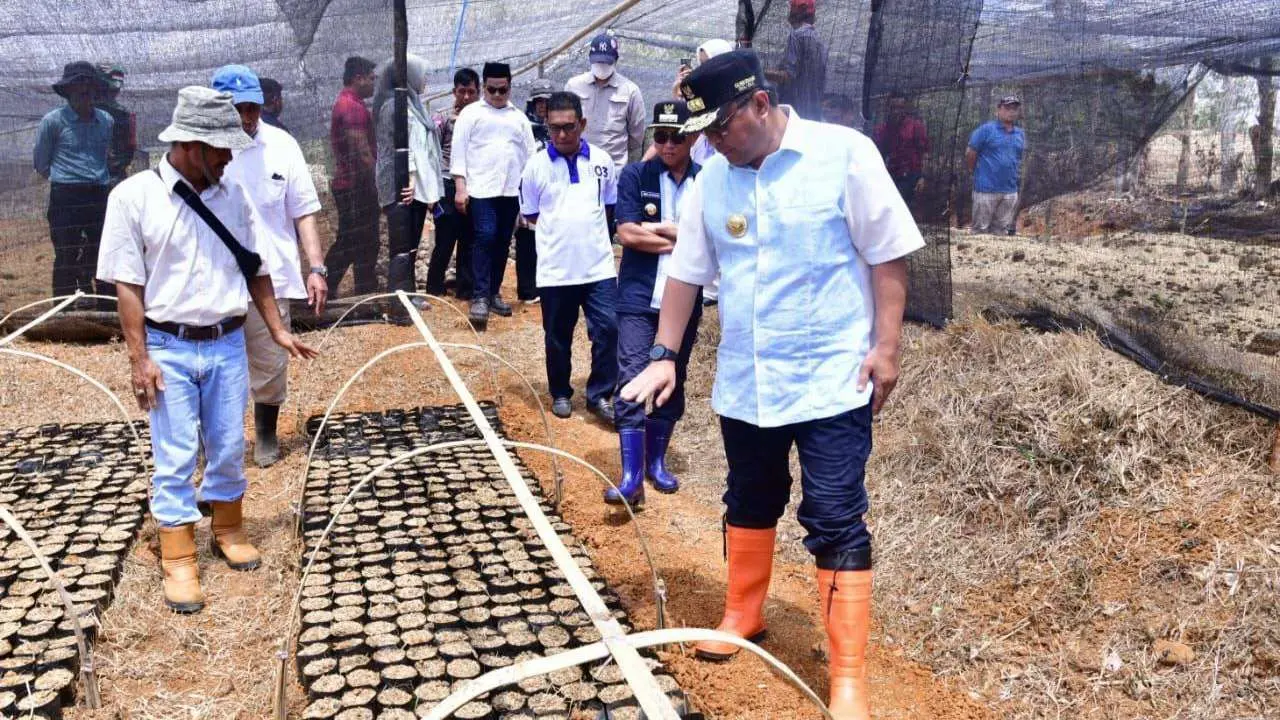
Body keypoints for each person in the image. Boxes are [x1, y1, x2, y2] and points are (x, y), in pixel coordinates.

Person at [623, 51, 924, 720]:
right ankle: (743, 612)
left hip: (831, 379)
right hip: (748, 381)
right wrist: (665, 352)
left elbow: (888, 253)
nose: (708, 143)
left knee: (835, 515)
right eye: (702, 132)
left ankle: (846, 674)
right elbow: (686, 275)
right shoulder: (712, 181)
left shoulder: (842, 155)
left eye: (719, 126)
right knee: (749, 497)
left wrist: (886, 347)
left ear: (760, 103)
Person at [95, 86, 317, 613]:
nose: (228, 157)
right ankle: (178, 556)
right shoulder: (133, 198)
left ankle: (229, 527)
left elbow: (254, 267)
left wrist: (277, 329)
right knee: (173, 453)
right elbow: (128, 286)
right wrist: (139, 358)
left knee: (225, 442)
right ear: (191, 144)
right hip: (169, 344)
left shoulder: (231, 195)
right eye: (220, 148)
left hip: (225, 342)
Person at [212, 65, 327, 468]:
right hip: (216, 279)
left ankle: (265, 433)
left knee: (269, 360)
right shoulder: (206, 152)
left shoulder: (281, 146)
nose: (247, 117)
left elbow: (304, 211)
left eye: (253, 108)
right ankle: (215, 441)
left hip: (272, 274)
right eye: (238, 108)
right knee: (215, 363)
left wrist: (316, 267)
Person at [609, 100, 702, 507]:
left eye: (675, 137)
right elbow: (628, 234)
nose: (666, 145)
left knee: (672, 376)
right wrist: (682, 237)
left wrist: (660, 232)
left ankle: (656, 461)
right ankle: (630, 476)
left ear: (694, 138)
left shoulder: (707, 180)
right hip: (637, 296)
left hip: (682, 301)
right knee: (631, 374)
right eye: (660, 137)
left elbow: (709, 241)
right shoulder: (636, 175)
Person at [519, 92, 618, 425]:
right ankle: (560, 391)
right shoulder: (535, 167)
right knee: (557, 336)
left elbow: (608, 210)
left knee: (608, 329)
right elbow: (531, 215)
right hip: (556, 270)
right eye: (555, 128)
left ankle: (600, 394)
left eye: (570, 127)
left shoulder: (603, 162)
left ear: (583, 124)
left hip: (598, 268)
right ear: (547, 125)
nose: (562, 135)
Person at [452, 62, 535, 330]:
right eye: (492, 90)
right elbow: (459, 153)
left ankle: (493, 293)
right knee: (485, 236)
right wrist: (461, 187)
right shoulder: (471, 114)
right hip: (481, 191)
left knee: (502, 241)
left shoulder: (519, 118)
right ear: (484, 87)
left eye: (503, 90)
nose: (498, 95)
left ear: (510, 87)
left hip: (510, 191)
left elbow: (530, 157)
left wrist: (529, 195)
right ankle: (479, 296)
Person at [34, 61, 114, 300]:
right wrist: (65, 179)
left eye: (89, 87)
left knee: (103, 250)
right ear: (68, 90)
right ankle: (63, 308)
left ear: (96, 90)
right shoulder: (53, 121)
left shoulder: (106, 121)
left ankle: (106, 305)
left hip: (99, 194)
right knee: (66, 252)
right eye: (78, 87)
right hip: (66, 196)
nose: (84, 92)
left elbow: (105, 156)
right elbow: (41, 162)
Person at [374, 55, 445, 308]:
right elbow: (402, 146)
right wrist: (411, 179)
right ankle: (399, 299)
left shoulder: (413, 103)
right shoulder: (395, 107)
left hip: (413, 186)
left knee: (411, 243)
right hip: (403, 187)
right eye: (422, 74)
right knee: (403, 245)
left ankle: (409, 294)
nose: (425, 80)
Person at [324, 56, 380, 297]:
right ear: (358, 78)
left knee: (363, 241)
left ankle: (364, 291)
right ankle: (324, 288)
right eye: (371, 78)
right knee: (351, 242)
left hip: (353, 184)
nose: (373, 83)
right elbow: (362, 152)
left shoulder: (350, 103)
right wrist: (377, 184)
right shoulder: (351, 106)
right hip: (355, 186)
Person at [426, 68, 480, 299]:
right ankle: (434, 287)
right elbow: (431, 153)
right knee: (445, 239)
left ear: (477, 92)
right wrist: (433, 191)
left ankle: (465, 288)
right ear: (453, 92)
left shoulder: (481, 117)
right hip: (447, 183)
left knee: (469, 238)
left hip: (474, 185)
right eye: (462, 92)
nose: (466, 97)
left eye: (471, 92)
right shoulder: (443, 118)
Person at [564, 32, 646, 171]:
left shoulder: (630, 91)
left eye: (606, 62)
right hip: (578, 167)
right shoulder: (574, 86)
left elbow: (636, 136)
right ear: (590, 59)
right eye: (598, 62)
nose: (601, 66)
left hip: (614, 170)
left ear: (616, 60)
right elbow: (564, 122)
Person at [515, 78, 556, 305]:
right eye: (539, 101)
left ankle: (546, 285)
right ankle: (527, 289)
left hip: (550, 191)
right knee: (526, 239)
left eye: (547, 102)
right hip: (527, 187)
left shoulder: (558, 129)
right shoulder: (524, 126)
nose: (543, 106)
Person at [966, 95, 1025, 235]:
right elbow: (970, 153)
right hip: (986, 190)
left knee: (1000, 233)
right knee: (980, 232)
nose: (1011, 111)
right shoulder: (985, 130)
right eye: (1007, 108)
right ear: (998, 110)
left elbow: (1017, 158)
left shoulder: (1020, 134)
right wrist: (973, 171)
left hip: (1009, 191)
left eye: (1014, 109)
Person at [764, 0, 827, 121]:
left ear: (796, 14)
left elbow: (787, 76)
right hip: (813, 115)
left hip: (794, 113)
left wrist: (760, 72)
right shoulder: (820, 41)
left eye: (791, 10)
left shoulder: (796, 36)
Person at [872, 90, 930, 207]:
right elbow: (876, 155)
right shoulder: (881, 130)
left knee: (902, 208)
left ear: (905, 109)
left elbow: (925, 153)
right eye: (893, 108)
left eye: (900, 108)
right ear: (887, 108)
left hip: (911, 177)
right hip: (889, 176)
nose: (896, 111)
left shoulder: (915, 126)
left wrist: (923, 177)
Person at [95, 63, 137, 185]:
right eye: (111, 90)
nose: (114, 92)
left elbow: (130, 146)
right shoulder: (85, 111)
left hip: (112, 176)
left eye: (115, 90)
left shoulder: (124, 115)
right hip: (108, 177)